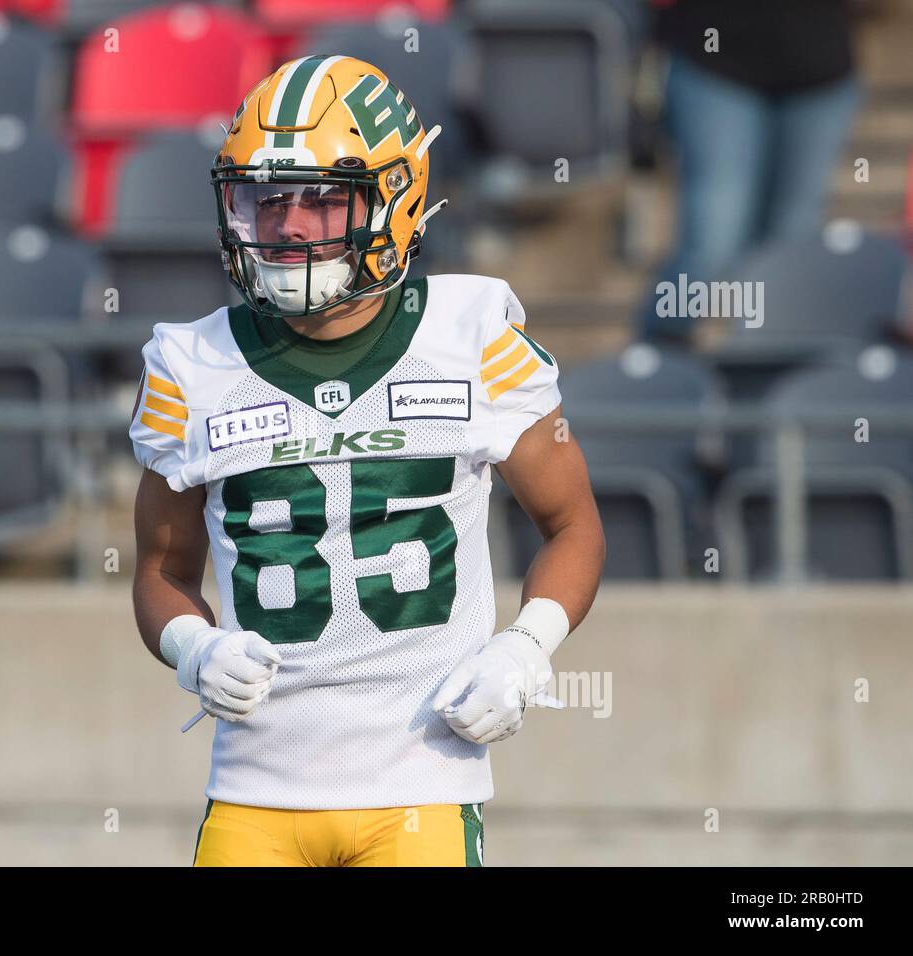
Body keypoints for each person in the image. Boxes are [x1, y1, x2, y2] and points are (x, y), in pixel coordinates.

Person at [130, 56, 605, 866]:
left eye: (322, 199)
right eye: (268, 200)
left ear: (396, 197)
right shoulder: (192, 362)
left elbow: (574, 528)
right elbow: (160, 570)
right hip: (255, 790)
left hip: (422, 781)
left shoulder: (472, 334)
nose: (288, 226)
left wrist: (526, 649)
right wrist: (194, 649)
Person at [639, 0, 862, 340]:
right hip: (714, 63)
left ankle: (763, 365)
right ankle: (652, 362)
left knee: (790, 248)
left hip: (820, 69)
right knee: (712, 245)